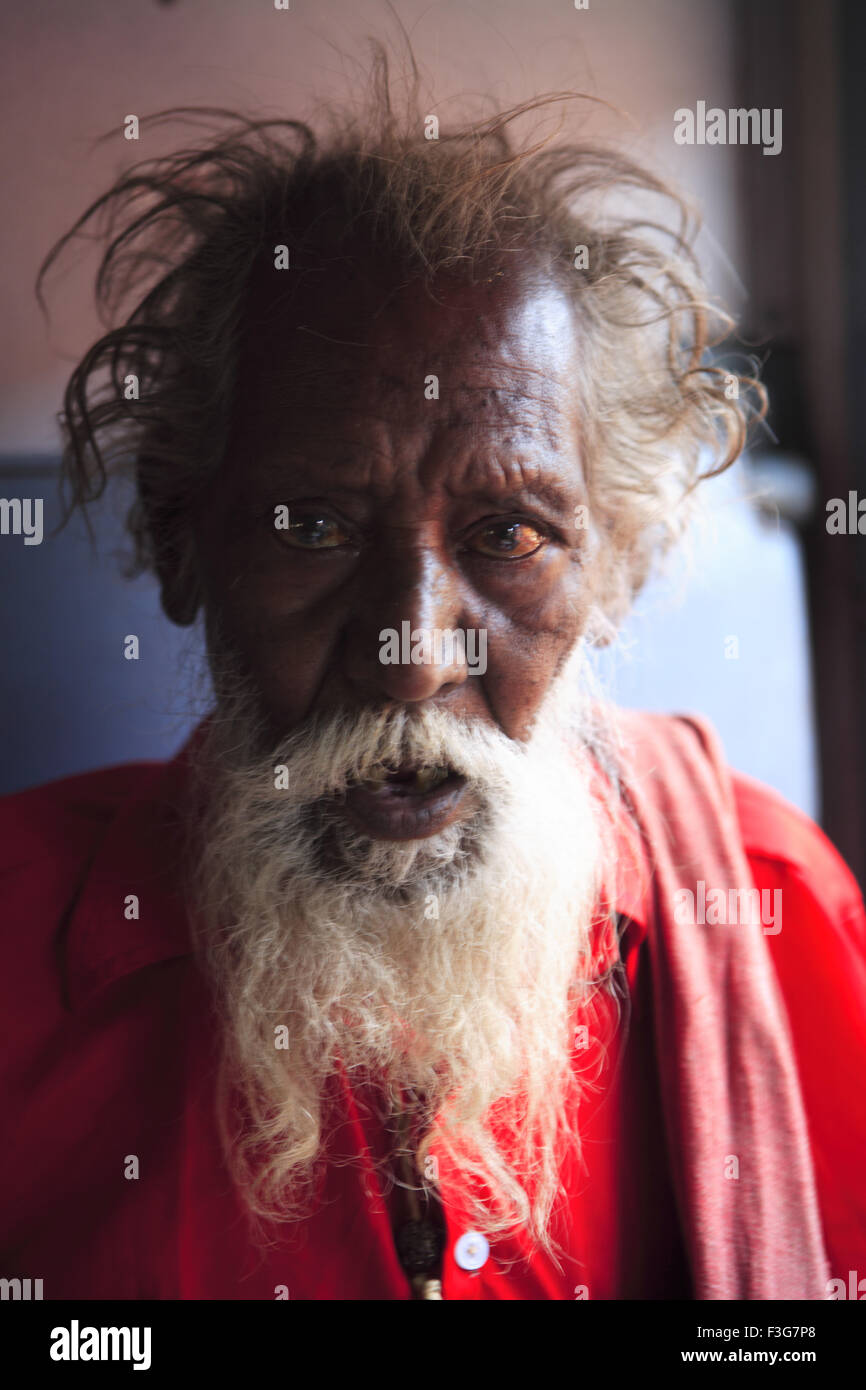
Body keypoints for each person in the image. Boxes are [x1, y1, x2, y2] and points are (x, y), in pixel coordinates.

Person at [2, 56, 864, 1301]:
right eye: (311, 526)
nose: (409, 657)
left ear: (611, 569)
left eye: (507, 534)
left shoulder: (778, 921)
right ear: (184, 544)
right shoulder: (21, 948)